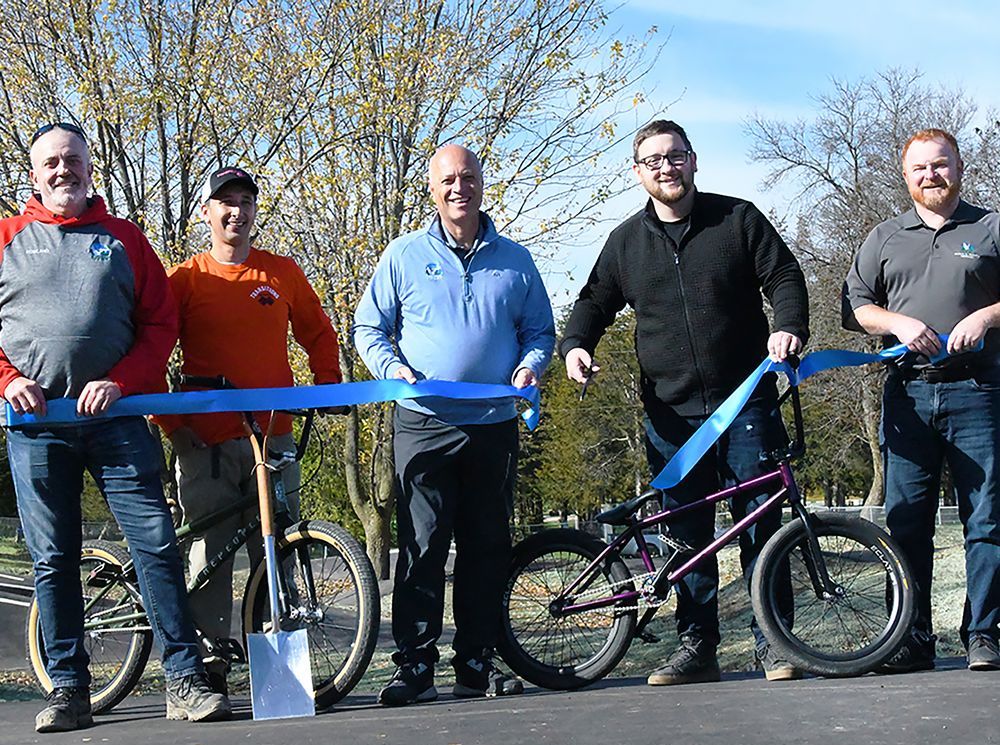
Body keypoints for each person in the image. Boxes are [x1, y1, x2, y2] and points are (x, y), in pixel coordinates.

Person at [561, 119, 809, 686]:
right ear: (637, 172)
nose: (666, 167)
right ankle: (696, 648)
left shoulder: (738, 219)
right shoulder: (626, 241)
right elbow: (594, 300)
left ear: (694, 160)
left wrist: (789, 326)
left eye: (675, 157)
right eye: (653, 160)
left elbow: (786, 278)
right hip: (670, 418)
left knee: (761, 528)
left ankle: (776, 645)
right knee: (684, 537)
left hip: (746, 403)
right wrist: (575, 345)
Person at [0, 123, 230, 733]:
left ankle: (185, 679)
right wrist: (5, 379)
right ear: (33, 173)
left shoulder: (126, 239)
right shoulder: (6, 239)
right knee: (54, 558)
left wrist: (122, 381)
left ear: (89, 166)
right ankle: (70, 691)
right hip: (36, 427)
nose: (62, 171)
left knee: (155, 544)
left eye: (72, 159)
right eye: (50, 161)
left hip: (118, 422)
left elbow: (160, 326)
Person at [353, 144, 555, 705]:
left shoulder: (516, 260)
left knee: (486, 546)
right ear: (432, 189)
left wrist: (529, 365)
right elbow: (369, 329)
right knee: (421, 547)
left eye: (468, 177)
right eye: (447, 179)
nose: (458, 187)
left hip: (494, 424)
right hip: (423, 424)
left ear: (482, 185)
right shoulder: (401, 256)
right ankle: (414, 666)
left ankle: (475, 663)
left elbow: (541, 332)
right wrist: (393, 370)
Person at [153, 166, 343, 695]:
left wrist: (326, 384)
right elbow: (151, 353)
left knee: (277, 546)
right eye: (225, 202)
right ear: (208, 212)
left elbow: (318, 331)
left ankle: (275, 666)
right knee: (209, 553)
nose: (236, 210)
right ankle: (205, 667)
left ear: (256, 210)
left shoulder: (281, 273)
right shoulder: (185, 280)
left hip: (275, 438)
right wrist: (172, 426)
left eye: (245, 200)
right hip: (205, 443)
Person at [843, 127, 1000, 672]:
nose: (931, 175)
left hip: (981, 392)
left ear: (960, 167)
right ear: (905, 176)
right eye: (920, 168)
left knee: (988, 519)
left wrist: (986, 314)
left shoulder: (990, 227)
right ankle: (909, 639)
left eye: (941, 164)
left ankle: (985, 634)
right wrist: (899, 322)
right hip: (908, 395)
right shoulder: (884, 237)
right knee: (908, 522)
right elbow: (858, 306)